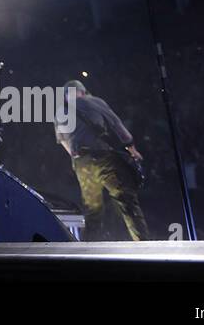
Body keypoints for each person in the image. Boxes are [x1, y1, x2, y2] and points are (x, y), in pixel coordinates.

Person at [56, 79, 149, 240]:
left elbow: (63, 141)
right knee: (125, 199)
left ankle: (88, 251)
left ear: (65, 96)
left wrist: (76, 157)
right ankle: (143, 243)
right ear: (82, 92)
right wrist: (131, 147)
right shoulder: (94, 101)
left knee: (92, 209)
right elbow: (116, 124)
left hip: (82, 163)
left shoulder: (60, 112)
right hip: (104, 158)